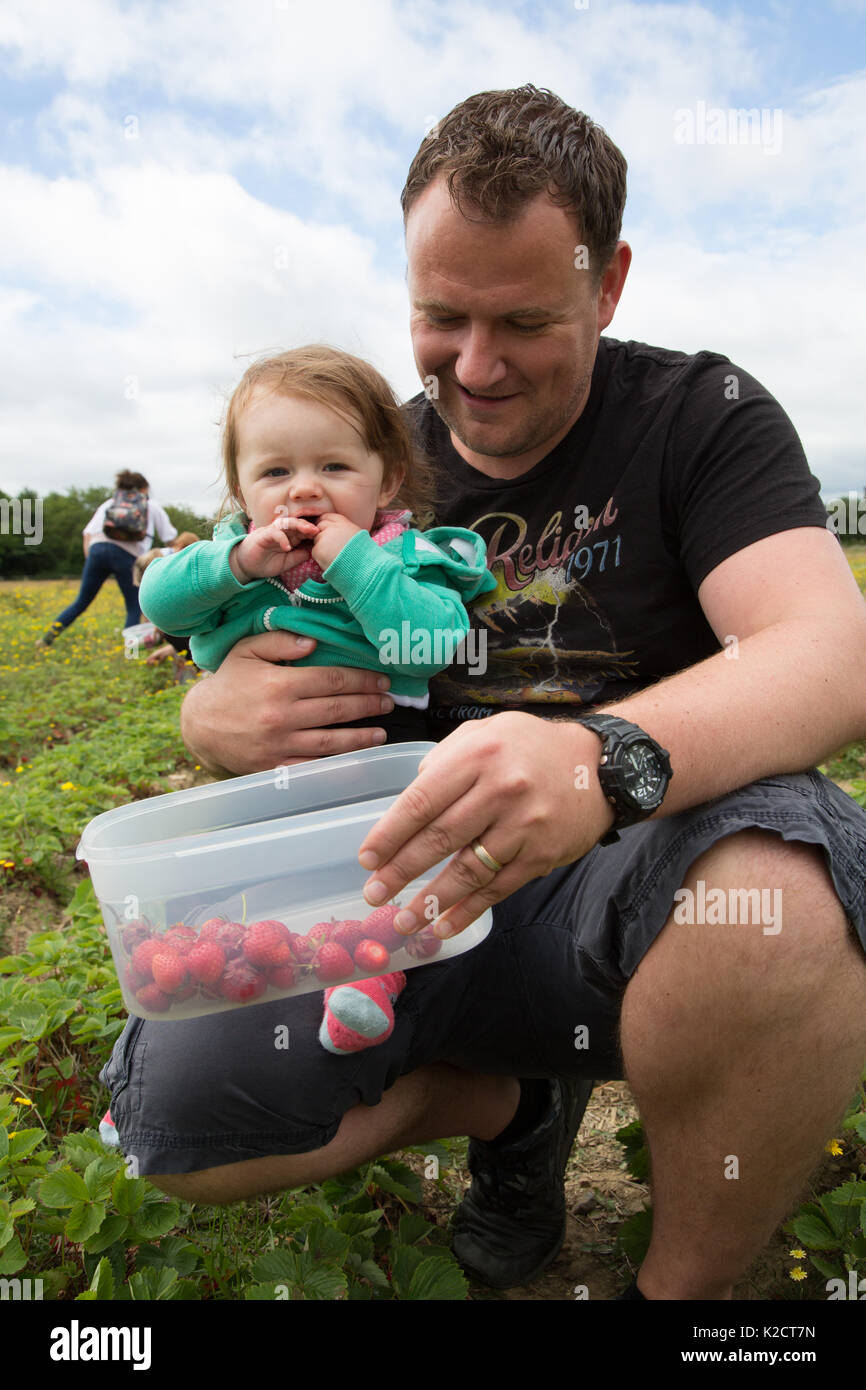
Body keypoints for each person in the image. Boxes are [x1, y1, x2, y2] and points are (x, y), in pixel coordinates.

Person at [99, 86, 866, 1303]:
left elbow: (829, 652)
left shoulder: (695, 419)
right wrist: (212, 719)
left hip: (624, 874)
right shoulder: (358, 453)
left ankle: (685, 1295)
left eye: (521, 320)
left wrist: (599, 760)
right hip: (397, 881)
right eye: (438, 317)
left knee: (775, 896)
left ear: (605, 283)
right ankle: (511, 1110)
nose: (475, 366)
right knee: (171, 1122)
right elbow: (214, 619)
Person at [137, 345, 496, 746]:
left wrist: (357, 565)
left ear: (388, 482)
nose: (305, 487)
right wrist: (237, 565)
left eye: (334, 466)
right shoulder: (230, 553)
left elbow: (431, 649)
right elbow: (159, 606)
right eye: (276, 471)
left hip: (379, 742)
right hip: (253, 747)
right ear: (242, 492)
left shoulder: (404, 557)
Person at [39, 470, 178, 645]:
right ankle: (131, 652)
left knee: (81, 601)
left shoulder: (109, 504)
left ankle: (47, 639)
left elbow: (87, 534)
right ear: (143, 488)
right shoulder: (151, 506)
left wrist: (90, 559)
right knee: (134, 606)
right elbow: (171, 538)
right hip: (128, 556)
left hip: (97, 551)